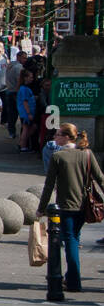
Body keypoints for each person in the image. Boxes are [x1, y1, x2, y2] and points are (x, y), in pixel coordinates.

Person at [37, 124, 103, 293]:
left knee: (70, 241)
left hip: (65, 206)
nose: (55, 138)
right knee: (74, 237)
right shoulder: (87, 154)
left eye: (58, 135)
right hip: (85, 206)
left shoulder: (58, 156)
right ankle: (69, 277)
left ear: (67, 137)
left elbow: (49, 185)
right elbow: (100, 179)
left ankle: (73, 281)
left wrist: (41, 208)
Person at [4, 51, 27, 138]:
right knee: (19, 113)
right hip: (15, 92)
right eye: (24, 58)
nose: (25, 59)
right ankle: (20, 132)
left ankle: (11, 132)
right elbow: (19, 81)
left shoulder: (10, 66)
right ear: (18, 57)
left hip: (9, 90)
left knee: (12, 114)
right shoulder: (19, 67)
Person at [16, 69, 37, 153]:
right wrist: (29, 113)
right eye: (30, 77)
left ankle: (21, 143)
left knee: (29, 128)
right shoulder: (24, 89)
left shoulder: (23, 88)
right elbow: (25, 102)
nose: (32, 79)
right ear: (25, 78)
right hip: (26, 113)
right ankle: (23, 146)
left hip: (25, 112)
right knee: (26, 129)